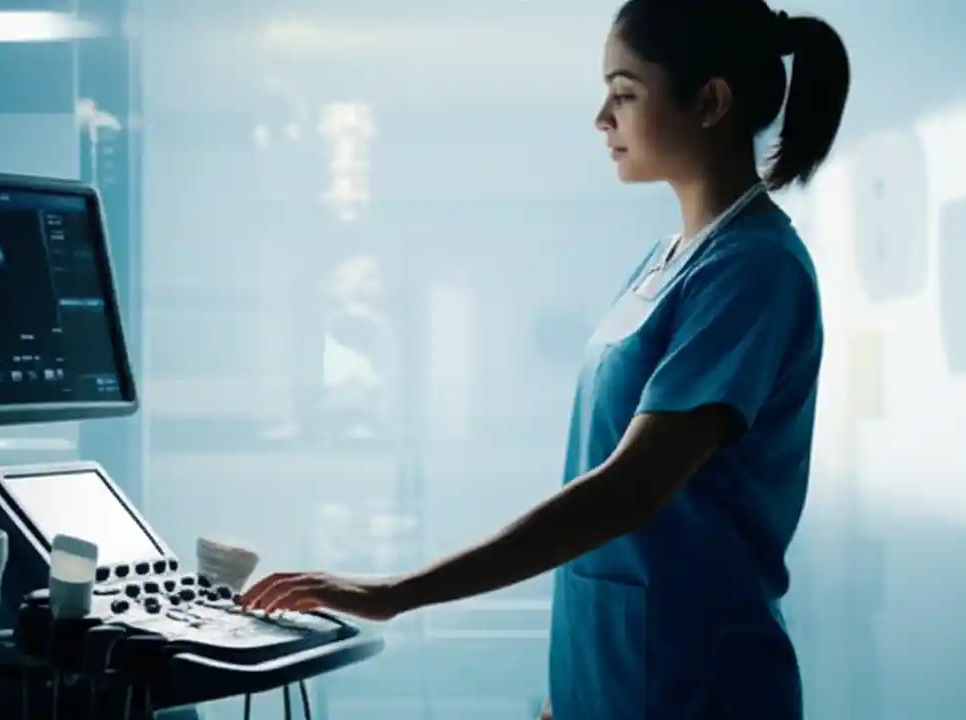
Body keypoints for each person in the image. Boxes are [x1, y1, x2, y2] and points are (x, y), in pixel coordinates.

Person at [239, 0, 850, 717]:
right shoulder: (667, 262)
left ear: (710, 101)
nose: (602, 118)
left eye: (624, 93)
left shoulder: (754, 270)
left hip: (698, 681)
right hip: (610, 678)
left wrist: (395, 592)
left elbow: (629, 490)